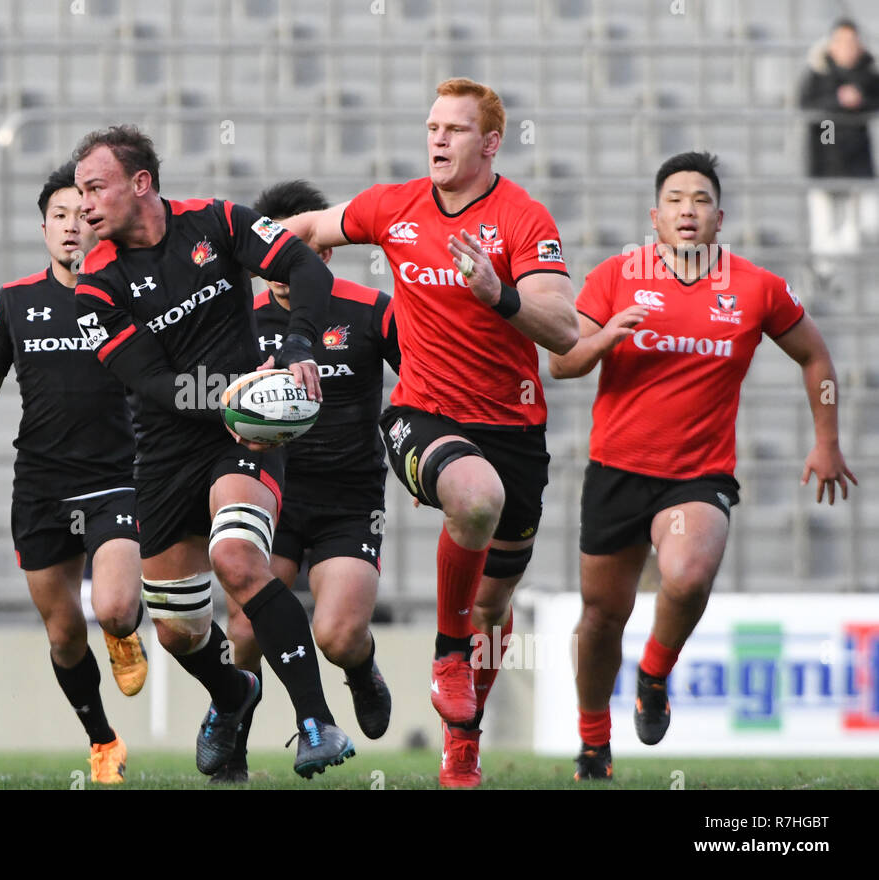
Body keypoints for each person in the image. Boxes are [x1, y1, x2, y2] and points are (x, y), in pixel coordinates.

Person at [280, 78, 578, 787]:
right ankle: (448, 653)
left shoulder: (523, 219)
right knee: (474, 499)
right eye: (433, 126)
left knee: (495, 607)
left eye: (455, 129)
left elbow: (565, 329)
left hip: (513, 426)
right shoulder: (395, 204)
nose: (438, 139)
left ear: (491, 144)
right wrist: (239, 264)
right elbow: (307, 230)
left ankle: (463, 741)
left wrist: (498, 296)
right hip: (423, 413)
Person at [548, 151, 857, 781]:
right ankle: (592, 743)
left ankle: (654, 674)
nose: (687, 210)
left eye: (701, 200)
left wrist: (826, 441)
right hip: (616, 470)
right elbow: (562, 362)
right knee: (603, 616)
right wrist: (609, 335)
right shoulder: (615, 276)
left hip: (698, 474)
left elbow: (816, 358)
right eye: (675, 200)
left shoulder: (757, 288)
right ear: (654, 216)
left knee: (687, 575)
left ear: (721, 218)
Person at [72, 125, 356, 779]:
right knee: (178, 632)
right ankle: (234, 694)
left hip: (246, 437)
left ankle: (315, 722)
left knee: (237, 557)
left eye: (95, 187)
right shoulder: (96, 283)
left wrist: (300, 344)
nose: (84, 204)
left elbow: (305, 267)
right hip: (170, 446)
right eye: (79, 191)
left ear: (140, 183)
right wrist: (232, 394)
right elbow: (148, 381)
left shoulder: (219, 222)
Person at [0, 162, 146, 785]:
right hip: (41, 486)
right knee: (62, 634)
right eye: (58, 216)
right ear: (43, 228)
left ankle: (121, 631)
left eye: (82, 216)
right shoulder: (13, 302)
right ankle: (102, 740)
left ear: (99, 225)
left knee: (112, 608)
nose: (70, 227)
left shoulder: (130, 291)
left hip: (117, 476)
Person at [216, 180, 399, 783]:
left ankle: (361, 668)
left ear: (323, 249)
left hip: (348, 497)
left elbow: (425, 382)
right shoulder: (236, 318)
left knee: (338, 634)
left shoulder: (370, 310)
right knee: (243, 626)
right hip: (271, 490)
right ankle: (235, 738)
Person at [799, 18, 879, 286]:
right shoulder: (818, 73)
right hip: (825, 160)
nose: (847, 48)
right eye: (841, 42)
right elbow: (808, 106)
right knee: (823, 228)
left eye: (851, 42)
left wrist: (859, 101)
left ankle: (831, 274)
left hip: (858, 163)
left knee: (863, 225)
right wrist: (839, 101)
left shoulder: (868, 74)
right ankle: (824, 277)